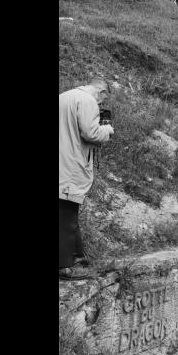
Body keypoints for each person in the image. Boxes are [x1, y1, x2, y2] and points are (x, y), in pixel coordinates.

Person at [59, 77, 115, 280]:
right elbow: (91, 133)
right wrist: (107, 129)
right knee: (66, 216)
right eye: (102, 101)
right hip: (70, 165)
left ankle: (78, 257)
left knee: (66, 214)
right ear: (102, 93)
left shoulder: (63, 97)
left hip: (61, 161)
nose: (100, 105)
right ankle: (65, 266)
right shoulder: (88, 101)